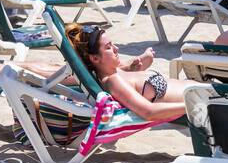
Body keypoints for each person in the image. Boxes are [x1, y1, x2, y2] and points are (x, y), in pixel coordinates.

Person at [65, 23, 201, 122]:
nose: (116, 49)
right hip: (201, 102)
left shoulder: (116, 71)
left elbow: (132, 71)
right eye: (108, 47)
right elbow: (149, 112)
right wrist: (193, 105)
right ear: (95, 58)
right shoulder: (112, 81)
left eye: (112, 44)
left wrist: (141, 61)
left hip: (200, 92)